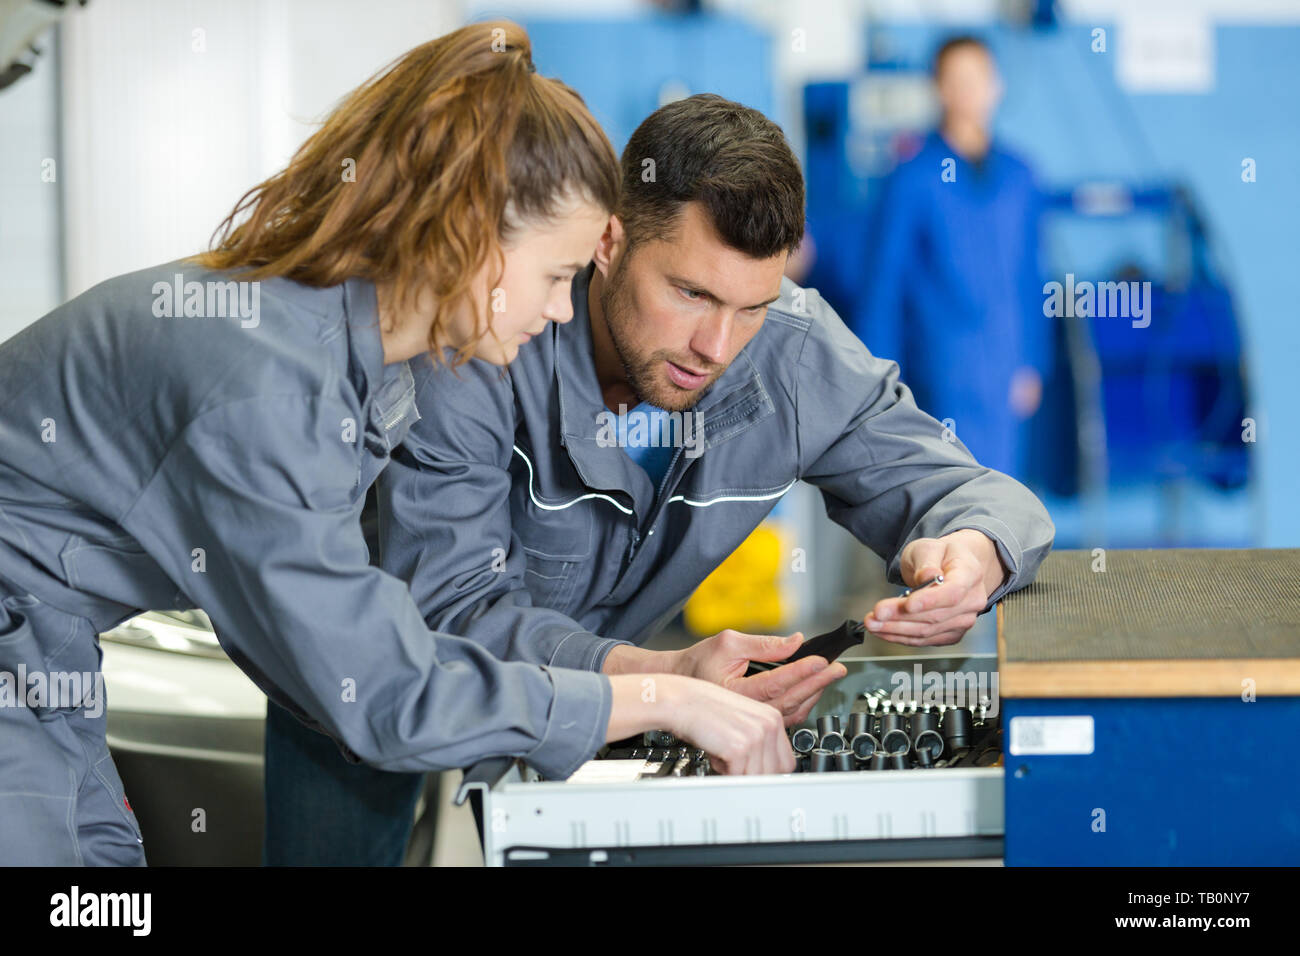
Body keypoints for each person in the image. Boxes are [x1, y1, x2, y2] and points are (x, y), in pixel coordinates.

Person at [0, 23, 798, 868]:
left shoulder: (356, 357)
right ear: (469, 235)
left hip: (46, 650)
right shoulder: (268, 385)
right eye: (559, 275)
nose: (565, 312)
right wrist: (654, 698)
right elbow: (381, 691)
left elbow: (362, 647)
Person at [263, 93, 1057, 863]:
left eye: (750, 305)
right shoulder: (485, 339)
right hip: (364, 674)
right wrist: (667, 679)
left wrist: (970, 551)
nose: (716, 344)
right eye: (689, 293)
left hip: (601, 692)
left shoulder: (789, 348)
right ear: (609, 241)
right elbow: (447, 618)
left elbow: (968, 489)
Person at [854, 35, 1049, 477]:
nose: (969, 90)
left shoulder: (1020, 176)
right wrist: (878, 383)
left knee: (1003, 496)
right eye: (956, 79)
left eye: (978, 78)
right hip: (939, 369)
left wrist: (1031, 361)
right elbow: (882, 285)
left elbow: (1031, 277)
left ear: (997, 86)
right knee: (947, 498)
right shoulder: (912, 178)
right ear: (938, 88)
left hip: (1005, 368)